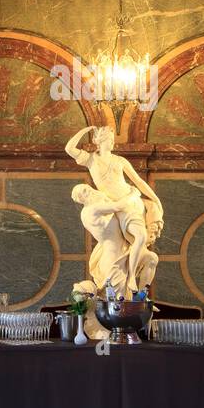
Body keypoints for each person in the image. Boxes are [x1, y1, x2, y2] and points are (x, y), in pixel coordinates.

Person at [65, 125, 163, 294]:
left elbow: (138, 182)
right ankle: (130, 280)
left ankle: (138, 291)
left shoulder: (120, 161)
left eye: (112, 140)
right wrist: (86, 130)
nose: (112, 143)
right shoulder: (91, 160)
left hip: (131, 204)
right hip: (116, 206)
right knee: (135, 240)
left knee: (141, 238)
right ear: (99, 141)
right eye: (109, 140)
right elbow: (69, 148)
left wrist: (155, 199)